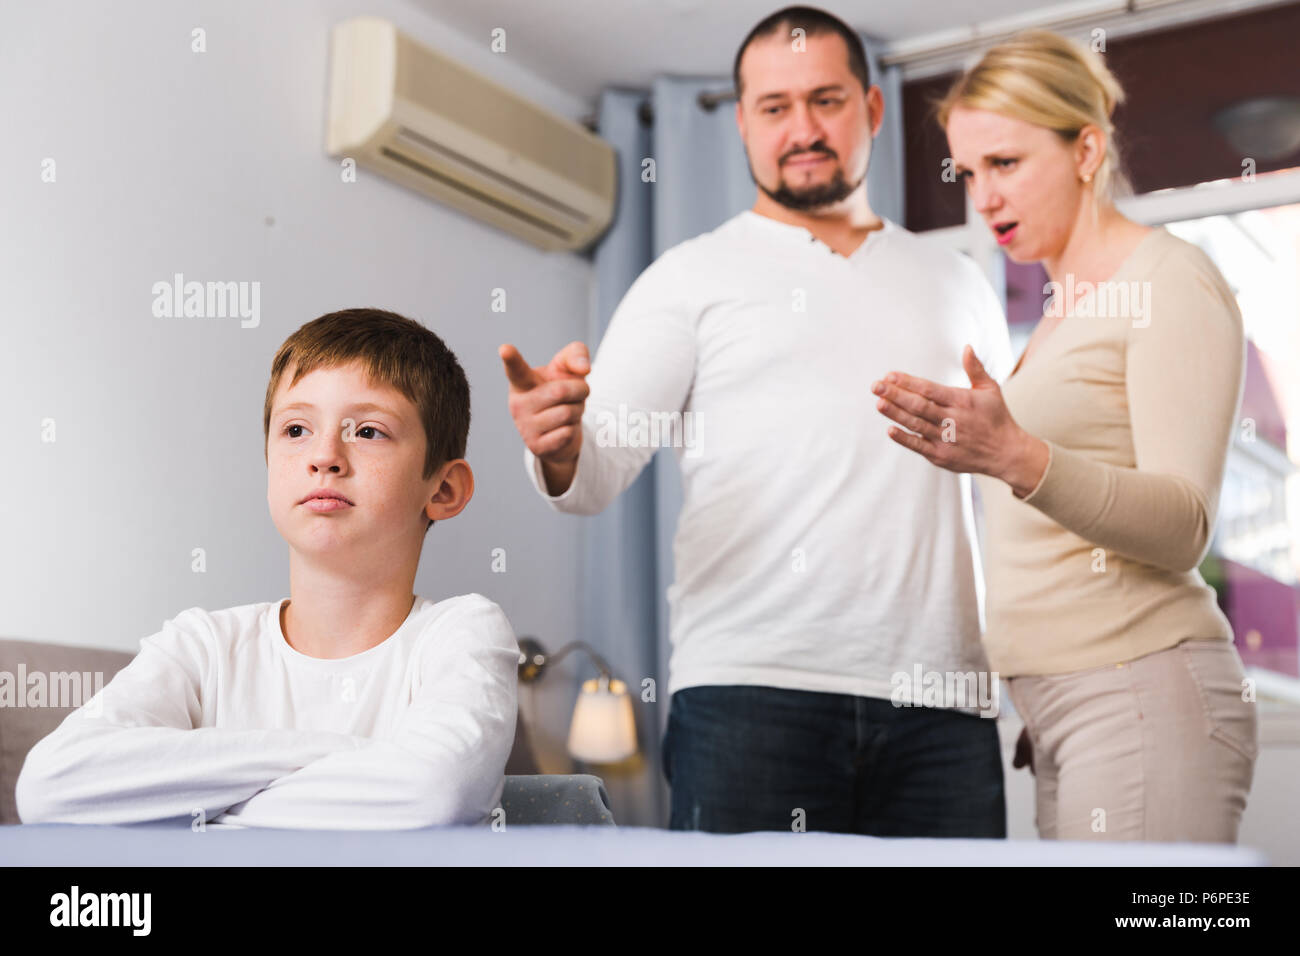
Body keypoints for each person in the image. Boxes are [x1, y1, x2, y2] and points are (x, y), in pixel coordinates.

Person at [500, 6, 1013, 836]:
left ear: (872, 108)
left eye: (827, 100)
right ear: (741, 124)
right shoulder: (688, 276)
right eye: (774, 108)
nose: (802, 128)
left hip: (945, 701)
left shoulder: (960, 282)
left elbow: (1010, 488)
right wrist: (556, 445)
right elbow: (595, 473)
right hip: (749, 695)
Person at [871, 29, 1257, 841]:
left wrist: (1012, 453)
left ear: (1086, 150)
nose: (984, 198)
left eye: (1005, 164)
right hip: (1062, 713)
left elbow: (1184, 524)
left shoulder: (1167, 279)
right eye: (969, 172)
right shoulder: (1057, 316)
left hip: (1140, 692)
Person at [16, 309, 520, 829]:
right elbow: (50, 789)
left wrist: (205, 812)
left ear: (443, 488)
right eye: (296, 428)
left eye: (368, 431)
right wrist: (357, 762)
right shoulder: (201, 646)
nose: (324, 456)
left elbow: (435, 793)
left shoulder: (462, 634)